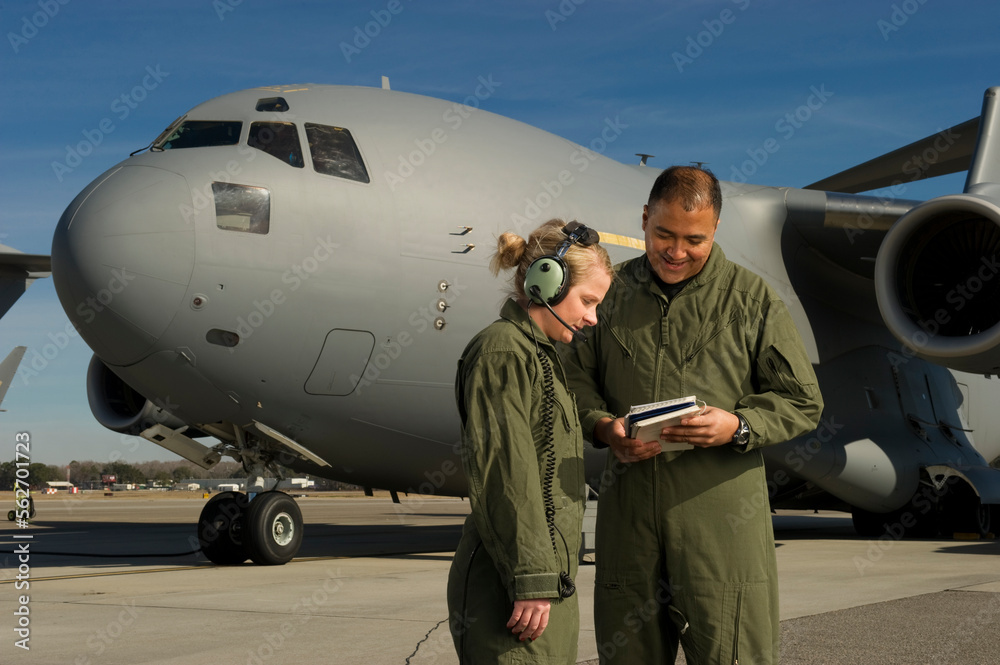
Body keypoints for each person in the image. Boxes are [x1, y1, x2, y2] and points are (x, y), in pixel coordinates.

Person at [562, 166, 823, 664]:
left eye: (694, 239)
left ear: (716, 229)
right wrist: (602, 426)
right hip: (629, 522)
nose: (676, 251)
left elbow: (803, 400)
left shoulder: (752, 301)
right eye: (663, 234)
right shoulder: (608, 297)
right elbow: (572, 382)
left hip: (721, 527)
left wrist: (738, 425)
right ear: (643, 220)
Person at [447, 219, 613, 664]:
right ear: (548, 284)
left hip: (541, 585)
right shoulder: (503, 352)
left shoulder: (538, 356)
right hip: (517, 589)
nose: (592, 317)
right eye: (588, 300)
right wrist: (534, 580)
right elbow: (506, 473)